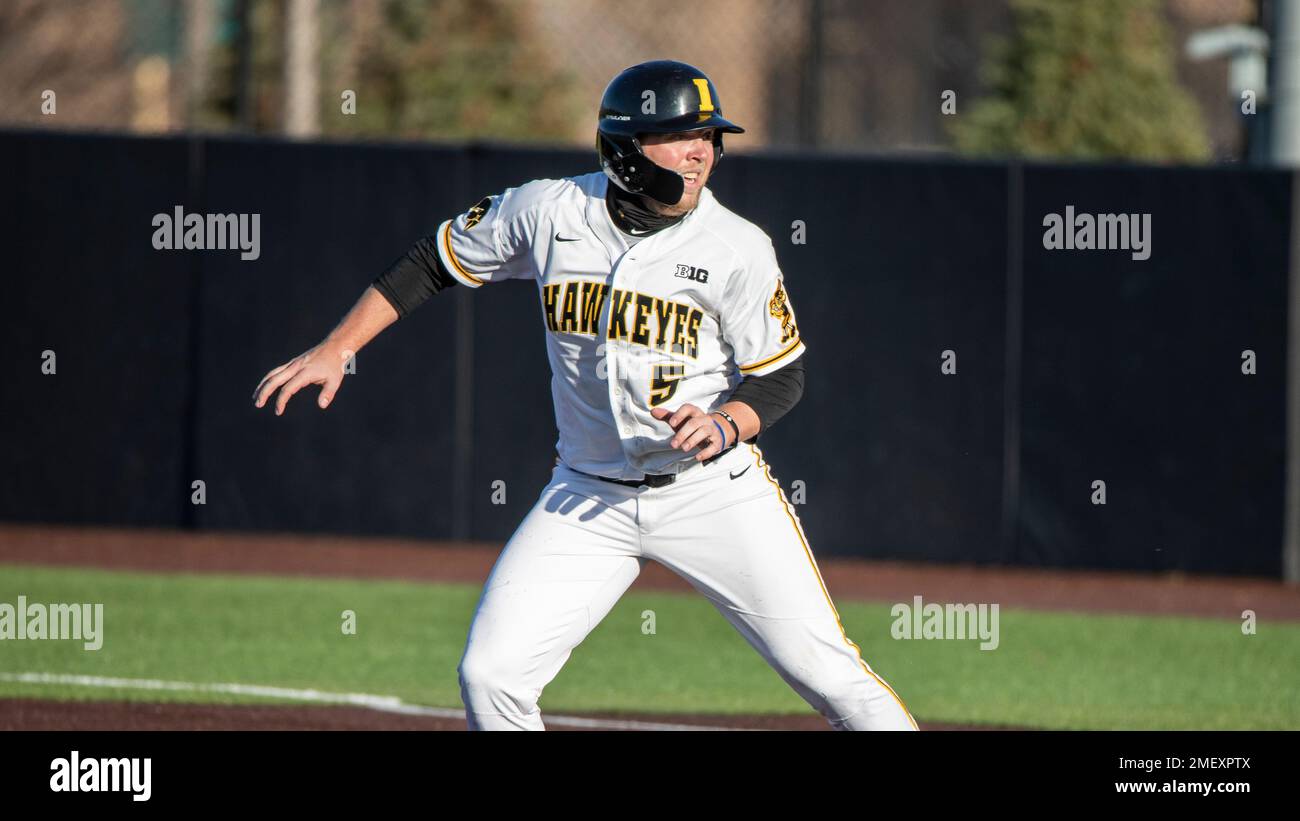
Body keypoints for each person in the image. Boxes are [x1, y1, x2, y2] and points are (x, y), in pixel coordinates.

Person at [252, 60, 917, 731]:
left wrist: (724, 424)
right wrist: (339, 346)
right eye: (679, 135)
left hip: (710, 490)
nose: (701, 151)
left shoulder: (737, 247)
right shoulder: (549, 211)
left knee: (829, 674)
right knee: (491, 675)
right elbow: (435, 260)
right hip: (587, 494)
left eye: (708, 135)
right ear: (625, 150)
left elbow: (781, 374)